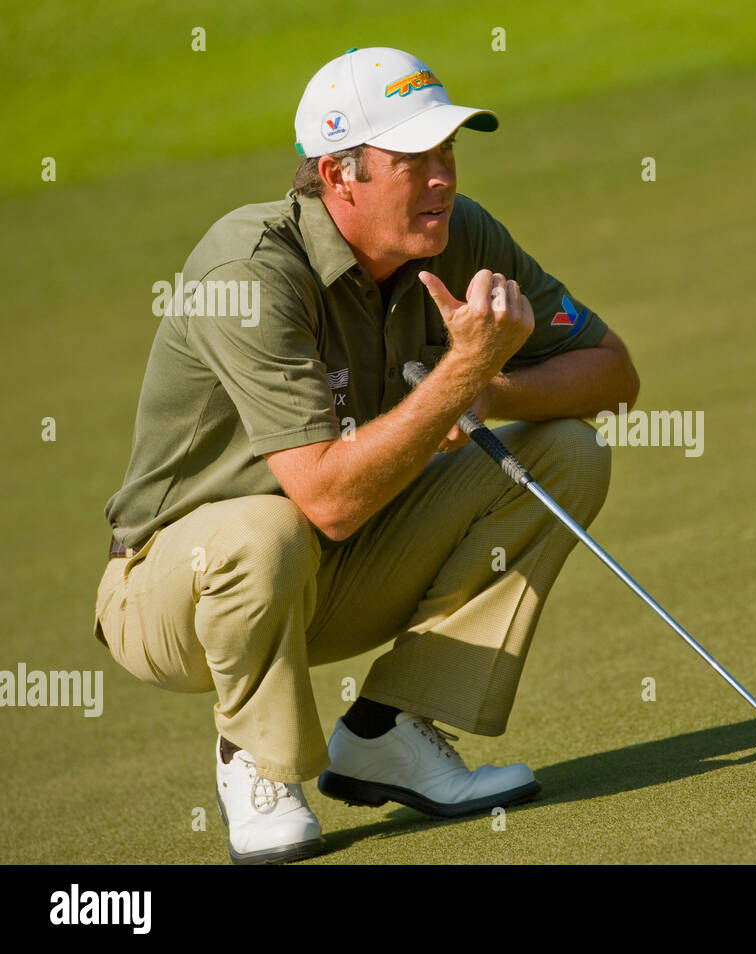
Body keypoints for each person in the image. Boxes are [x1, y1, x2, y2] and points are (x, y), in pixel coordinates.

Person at [91, 46, 639, 865]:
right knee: (264, 532)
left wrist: (488, 391)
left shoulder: (458, 235)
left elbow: (614, 375)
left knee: (566, 452)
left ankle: (388, 730)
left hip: (333, 569)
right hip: (173, 597)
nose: (442, 177)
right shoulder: (251, 269)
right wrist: (460, 372)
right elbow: (325, 500)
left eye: (447, 150)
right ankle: (257, 761)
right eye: (412, 158)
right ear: (338, 173)